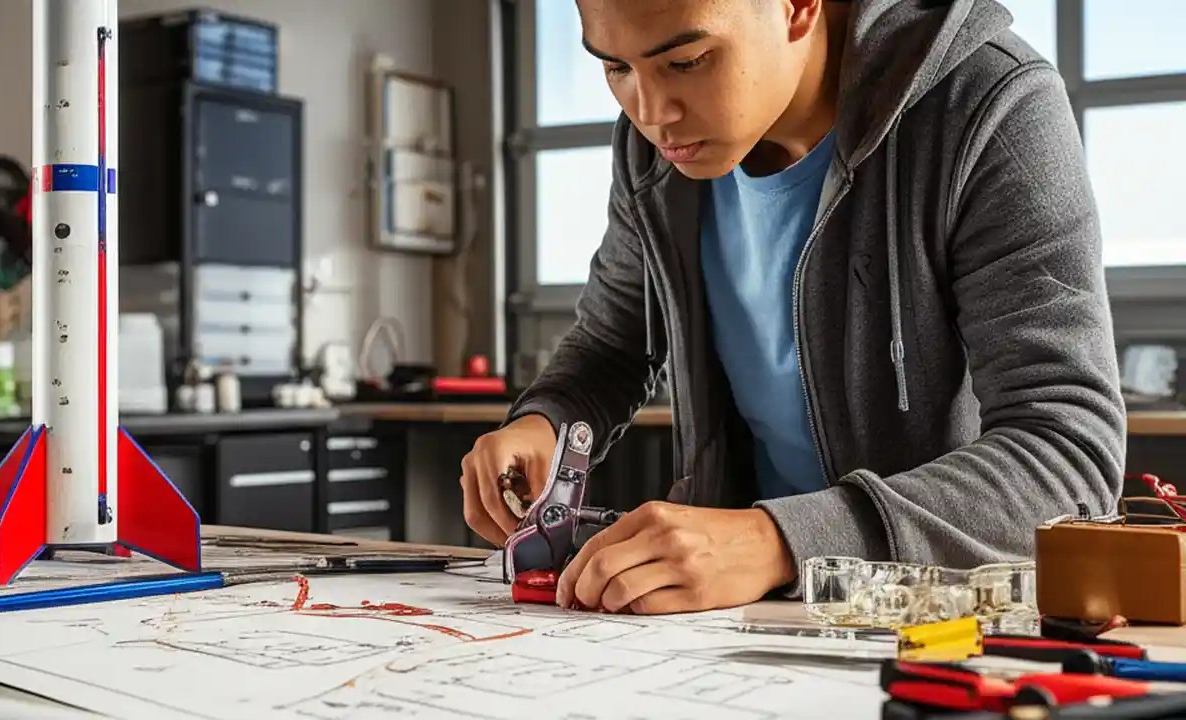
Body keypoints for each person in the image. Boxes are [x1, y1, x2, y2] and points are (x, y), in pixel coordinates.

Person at [460, 0, 1126, 615]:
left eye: (686, 62)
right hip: (733, 623)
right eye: (615, 66)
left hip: (929, 620)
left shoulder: (990, 106)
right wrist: (544, 425)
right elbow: (612, 348)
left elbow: (1066, 457)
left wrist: (778, 541)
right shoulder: (655, 149)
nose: (651, 110)